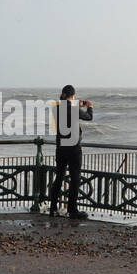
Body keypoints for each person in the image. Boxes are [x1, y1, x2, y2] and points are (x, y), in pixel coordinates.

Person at [48, 85, 93, 219]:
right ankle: (72, 210)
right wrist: (90, 106)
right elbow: (89, 117)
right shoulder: (74, 109)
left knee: (59, 177)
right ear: (73, 95)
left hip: (61, 148)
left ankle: (53, 208)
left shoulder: (56, 108)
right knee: (75, 179)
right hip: (73, 148)